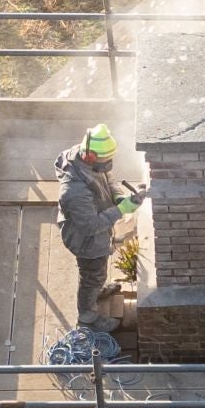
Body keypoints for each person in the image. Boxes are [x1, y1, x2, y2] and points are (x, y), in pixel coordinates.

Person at [58, 122, 144, 332]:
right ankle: (88, 318)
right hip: (86, 240)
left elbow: (108, 178)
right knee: (90, 276)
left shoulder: (87, 161)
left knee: (97, 273)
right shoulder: (73, 191)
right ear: (90, 156)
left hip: (96, 235)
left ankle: (98, 289)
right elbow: (90, 226)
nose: (108, 165)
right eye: (105, 161)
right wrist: (121, 209)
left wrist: (117, 195)